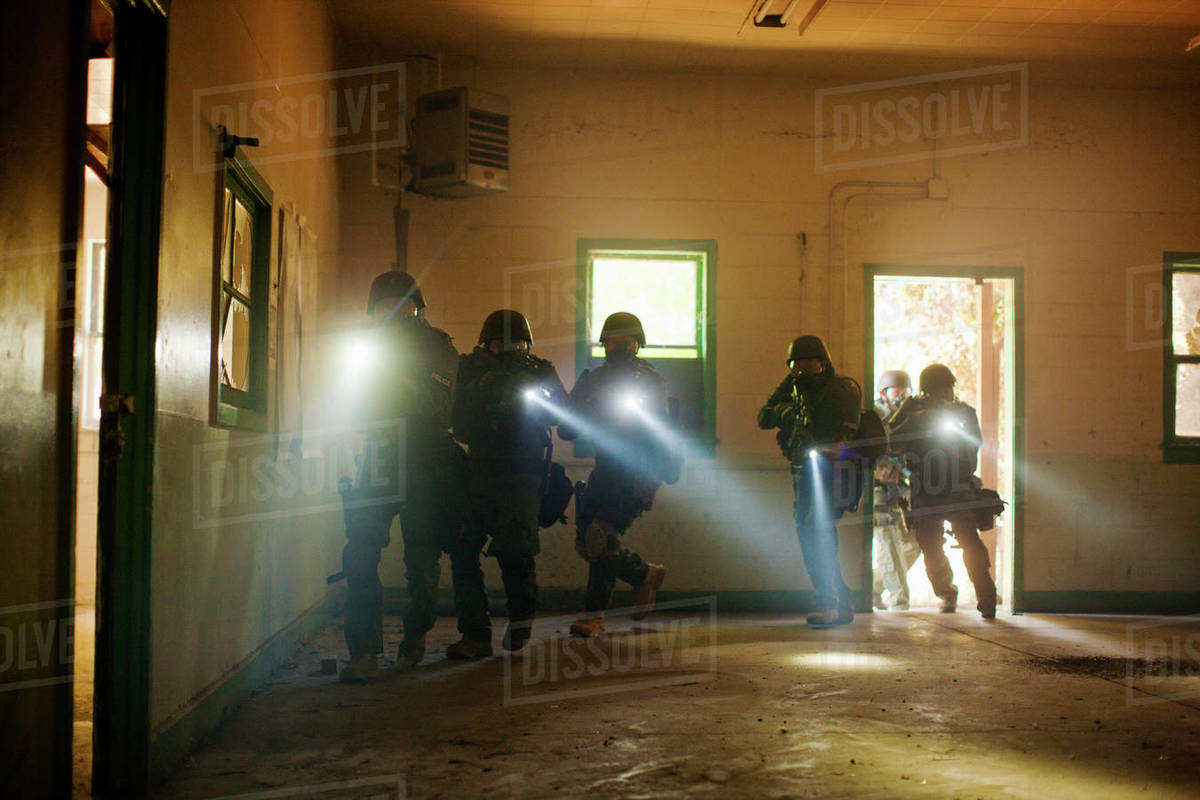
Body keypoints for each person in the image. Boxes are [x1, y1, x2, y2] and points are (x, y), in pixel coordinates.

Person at [339, 271, 470, 682]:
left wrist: (393, 375)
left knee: (422, 561)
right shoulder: (363, 346)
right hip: (379, 454)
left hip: (425, 458)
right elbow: (350, 402)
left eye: (403, 304)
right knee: (359, 553)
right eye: (383, 305)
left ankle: (415, 636)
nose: (392, 312)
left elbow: (434, 402)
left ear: (417, 307)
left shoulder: (437, 347)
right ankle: (363, 652)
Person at [450, 309, 569, 654]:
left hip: (523, 472)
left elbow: (567, 421)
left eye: (517, 343)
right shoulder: (471, 370)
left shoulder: (540, 371)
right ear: (487, 344)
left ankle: (519, 626)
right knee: (464, 549)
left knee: (516, 553)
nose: (510, 349)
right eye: (502, 343)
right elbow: (458, 423)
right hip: (481, 470)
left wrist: (541, 402)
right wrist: (483, 395)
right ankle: (475, 634)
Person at [559, 312, 681, 638]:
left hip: (638, 470)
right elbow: (569, 427)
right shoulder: (593, 380)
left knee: (601, 534)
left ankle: (594, 614)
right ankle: (644, 575)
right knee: (590, 543)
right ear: (605, 344)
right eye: (614, 340)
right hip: (606, 469)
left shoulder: (650, 381)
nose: (620, 346)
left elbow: (663, 427)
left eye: (627, 341)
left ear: (637, 344)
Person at [757, 335, 863, 628]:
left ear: (823, 363)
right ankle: (839, 595)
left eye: (810, 363)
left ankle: (826, 599)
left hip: (832, 469)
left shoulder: (841, 389)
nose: (804, 369)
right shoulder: (790, 387)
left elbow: (848, 429)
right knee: (811, 531)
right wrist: (784, 411)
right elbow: (763, 416)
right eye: (797, 364)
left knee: (816, 528)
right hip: (803, 468)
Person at [887, 363, 997, 619]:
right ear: (927, 392)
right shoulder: (912, 411)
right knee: (931, 547)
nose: (944, 394)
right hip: (925, 489)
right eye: (939, 390)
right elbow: (892, 442)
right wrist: (916, 423)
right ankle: (946, 592)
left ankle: (986, 597)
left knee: (970, 541)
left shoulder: (963, 412)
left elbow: (975, 443)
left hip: (958, 488)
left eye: (947, 389)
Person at [872, 369, 921, 611]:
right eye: (897, 393)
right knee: (889, 541)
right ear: (884, 393)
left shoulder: (908, 419)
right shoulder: (874, 417)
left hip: (898, 487)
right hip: (877, 487)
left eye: (905, 393)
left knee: (913, 543)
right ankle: (899, 597)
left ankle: (871, 587)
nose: (901, 398)